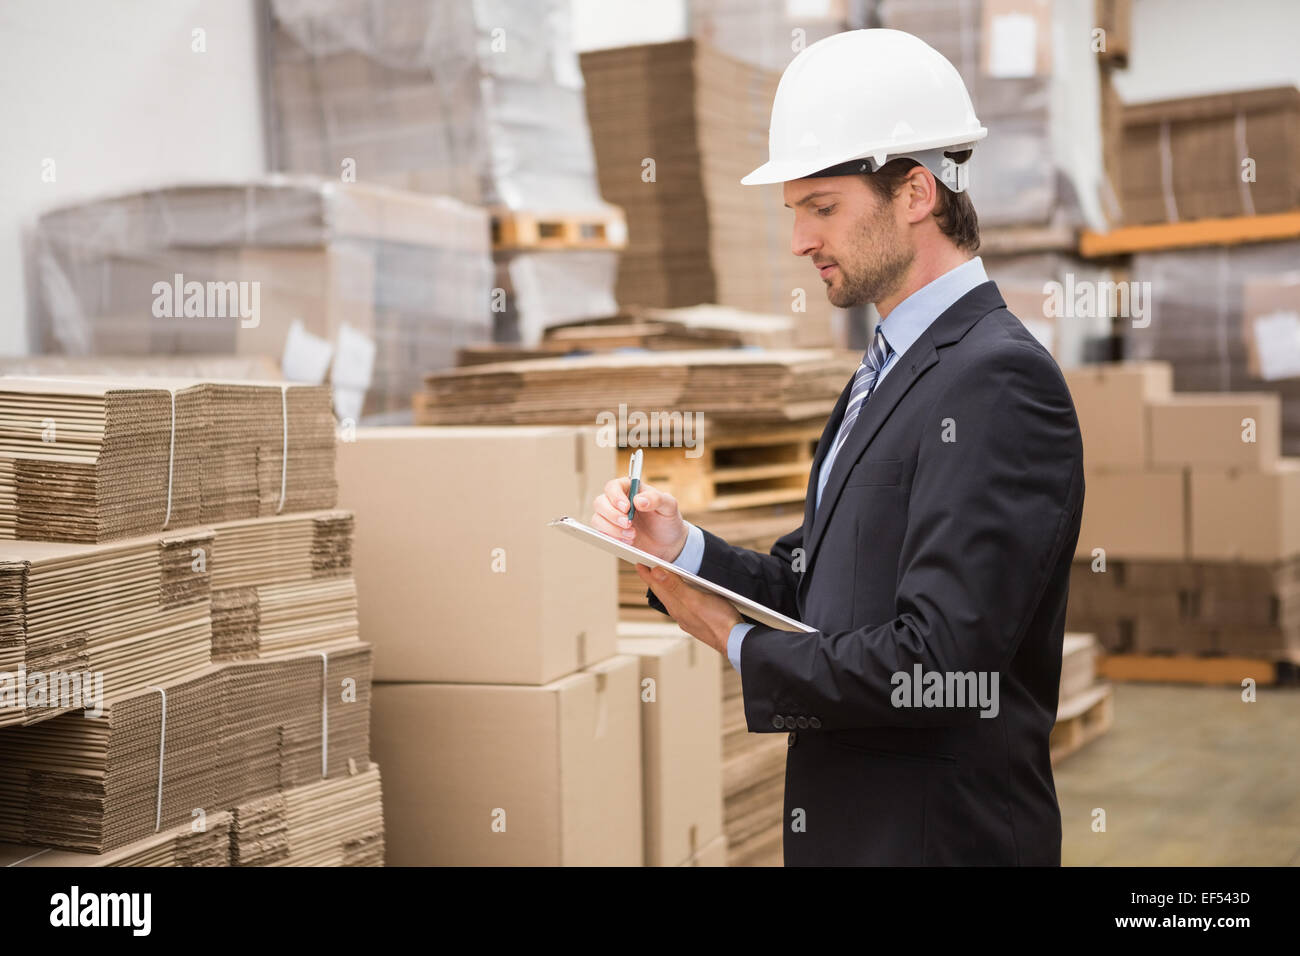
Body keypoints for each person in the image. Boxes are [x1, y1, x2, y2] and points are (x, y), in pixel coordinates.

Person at [590, 28, 1085, 866]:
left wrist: (735, 641)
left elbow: (941, 660)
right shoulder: (888, 368)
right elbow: (820, 587)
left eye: (822, 208)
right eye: (794, 214)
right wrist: (685, 550)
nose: (799, 242)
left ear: (917, 193)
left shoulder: (999, 382)